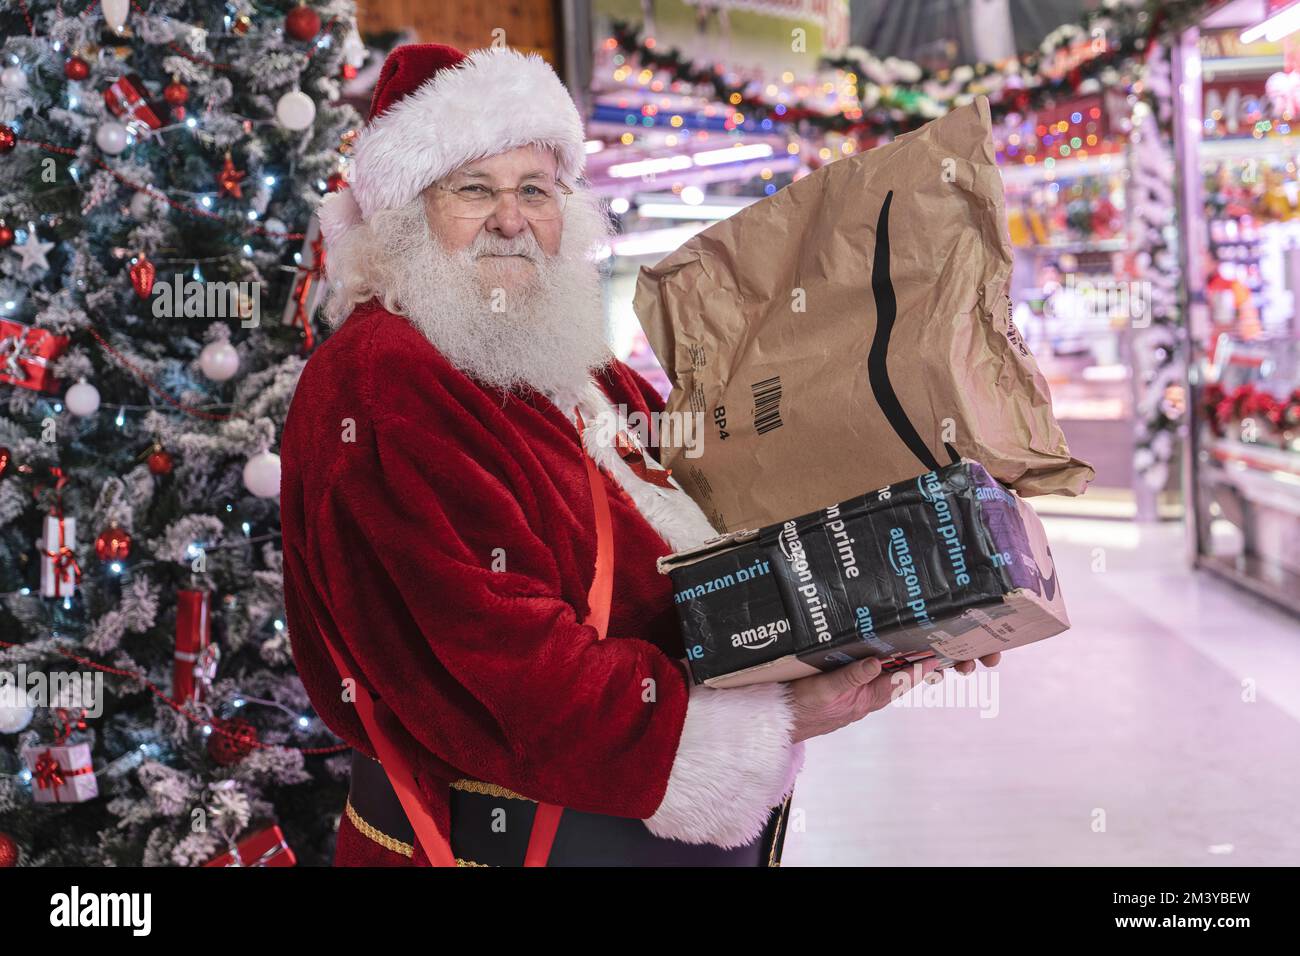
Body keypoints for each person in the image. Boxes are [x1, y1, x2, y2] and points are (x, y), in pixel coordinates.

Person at [280, 42, 998, 867]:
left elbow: (724, 509)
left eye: (535, 190)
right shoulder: (380, 378)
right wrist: (776, 720)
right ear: (405, 215)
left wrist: (913, 597)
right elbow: (498, 661)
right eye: (473, 190)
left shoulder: (574, 369)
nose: (512, 219)